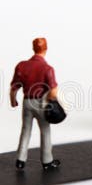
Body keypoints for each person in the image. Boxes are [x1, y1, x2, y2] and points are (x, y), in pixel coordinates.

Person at [10, 38, 61, 171]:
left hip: (26, 102)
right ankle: (47, 161)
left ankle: (20, 160)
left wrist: (13, 99)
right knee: (45, 131)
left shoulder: (21, 65)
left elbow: (14, 87)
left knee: (25, 130)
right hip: (40, 103)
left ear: (33, 48)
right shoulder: (47, 68)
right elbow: (54, 92)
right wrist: (48, 99)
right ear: (46, 49)